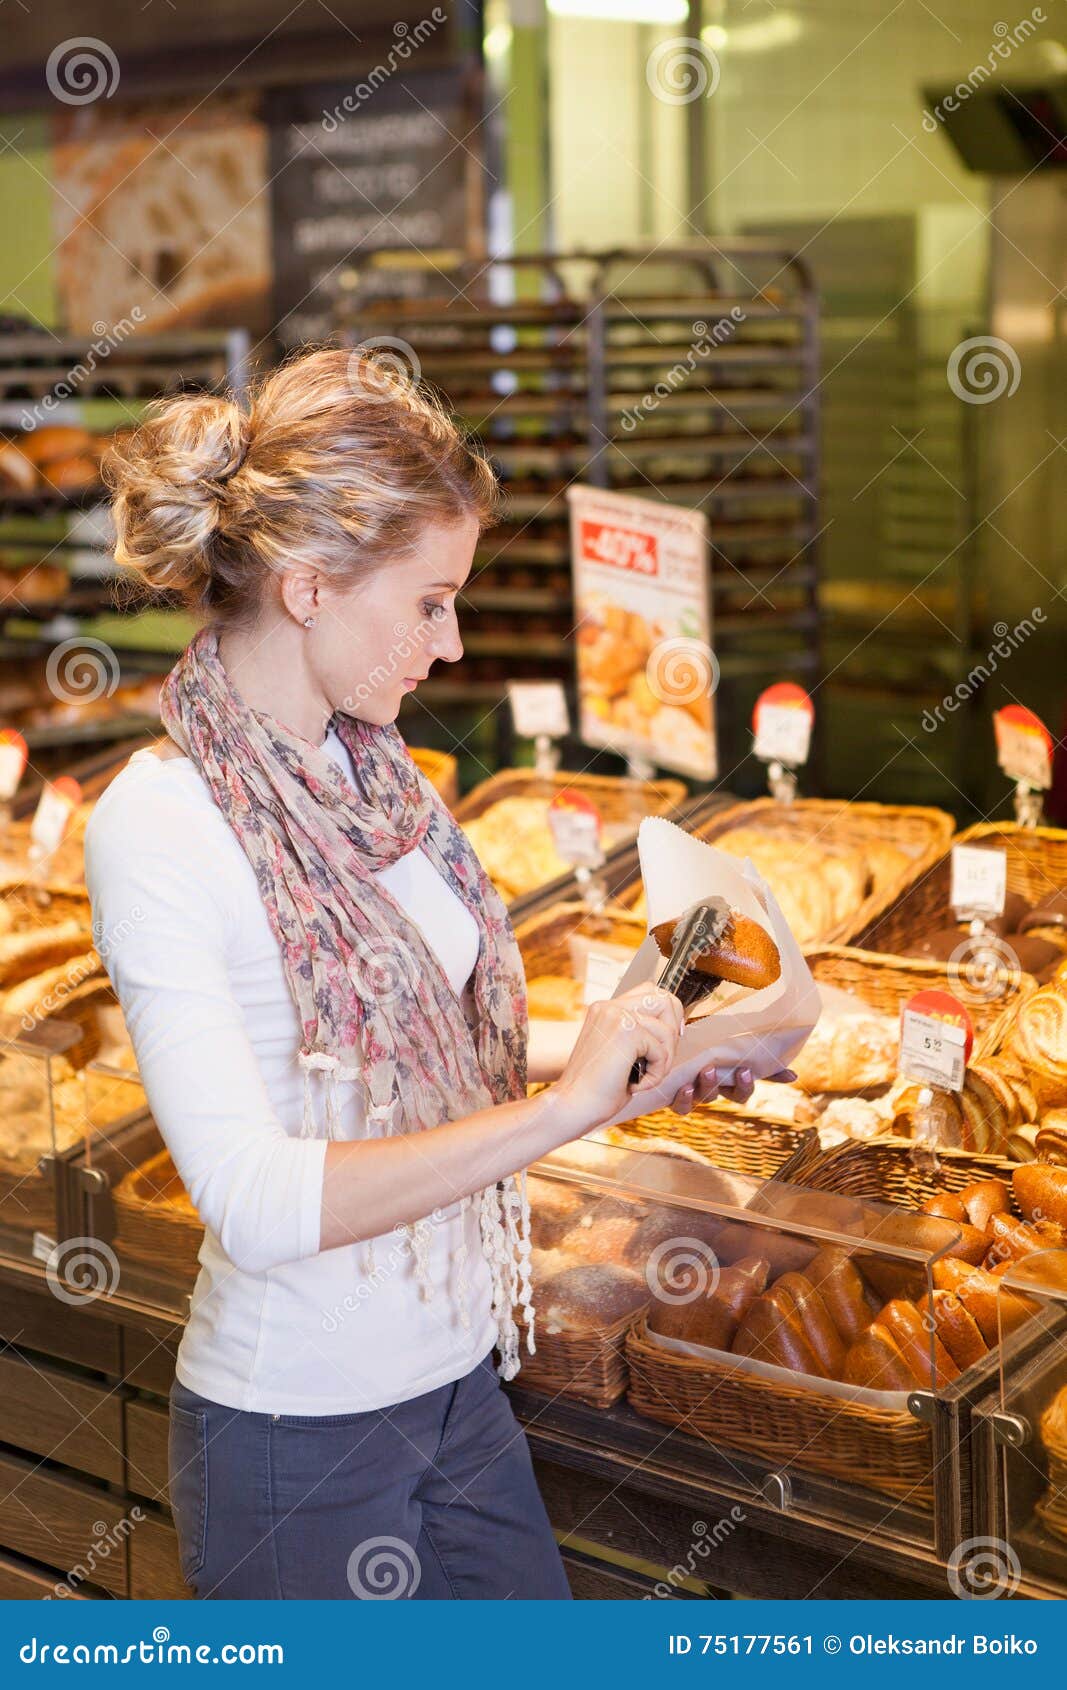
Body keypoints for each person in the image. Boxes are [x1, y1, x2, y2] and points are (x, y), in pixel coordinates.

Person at [86, 347, 787, 1601]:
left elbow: (410, 1060)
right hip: (293, 1436)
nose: (451, 641)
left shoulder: (377, 780)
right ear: (306, 588)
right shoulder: (162, 824)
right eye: (428, 600)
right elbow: (252, 1198)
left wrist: (622, 1058)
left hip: (457, 1382)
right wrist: (556, 1111)